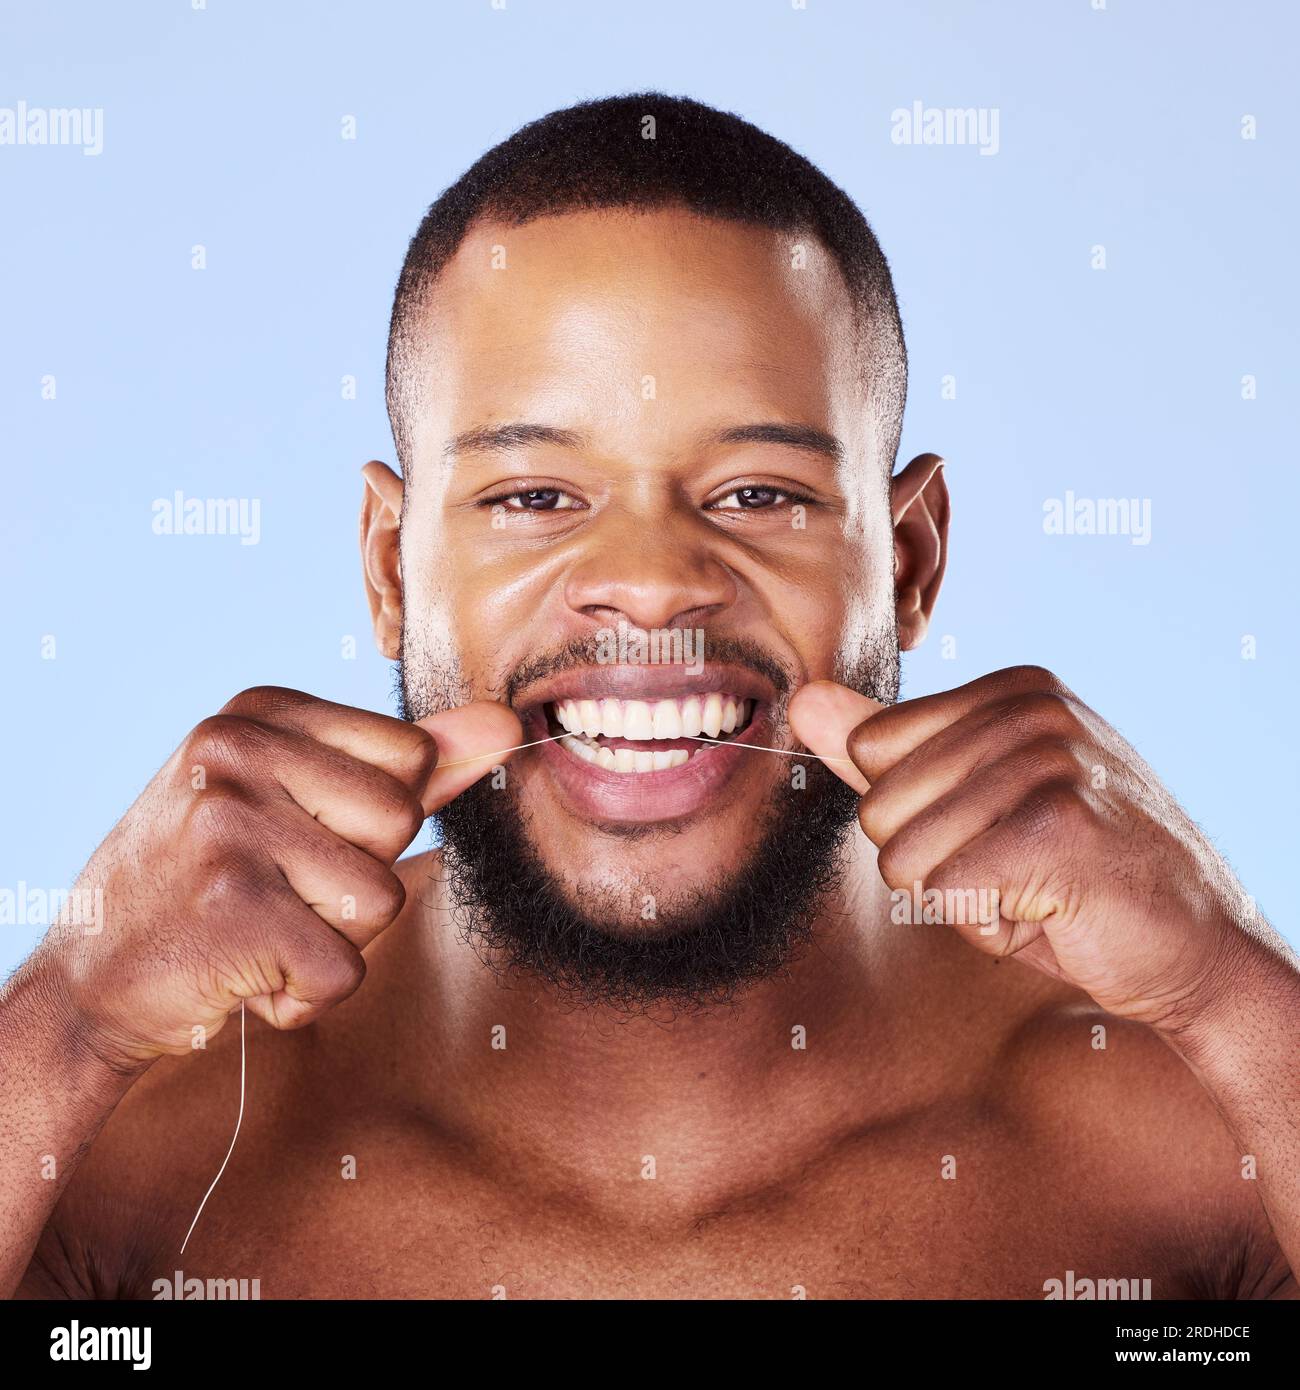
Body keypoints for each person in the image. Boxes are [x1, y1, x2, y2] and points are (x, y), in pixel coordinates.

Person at [3, 94, 1296, 1300]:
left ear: (909, 562)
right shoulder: (141, 1130)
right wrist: (61, 1023)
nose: (650, 583)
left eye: (757, 495)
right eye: (533, 497)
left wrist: (1234, 995)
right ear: (391, 570)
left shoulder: (1187, 1117)